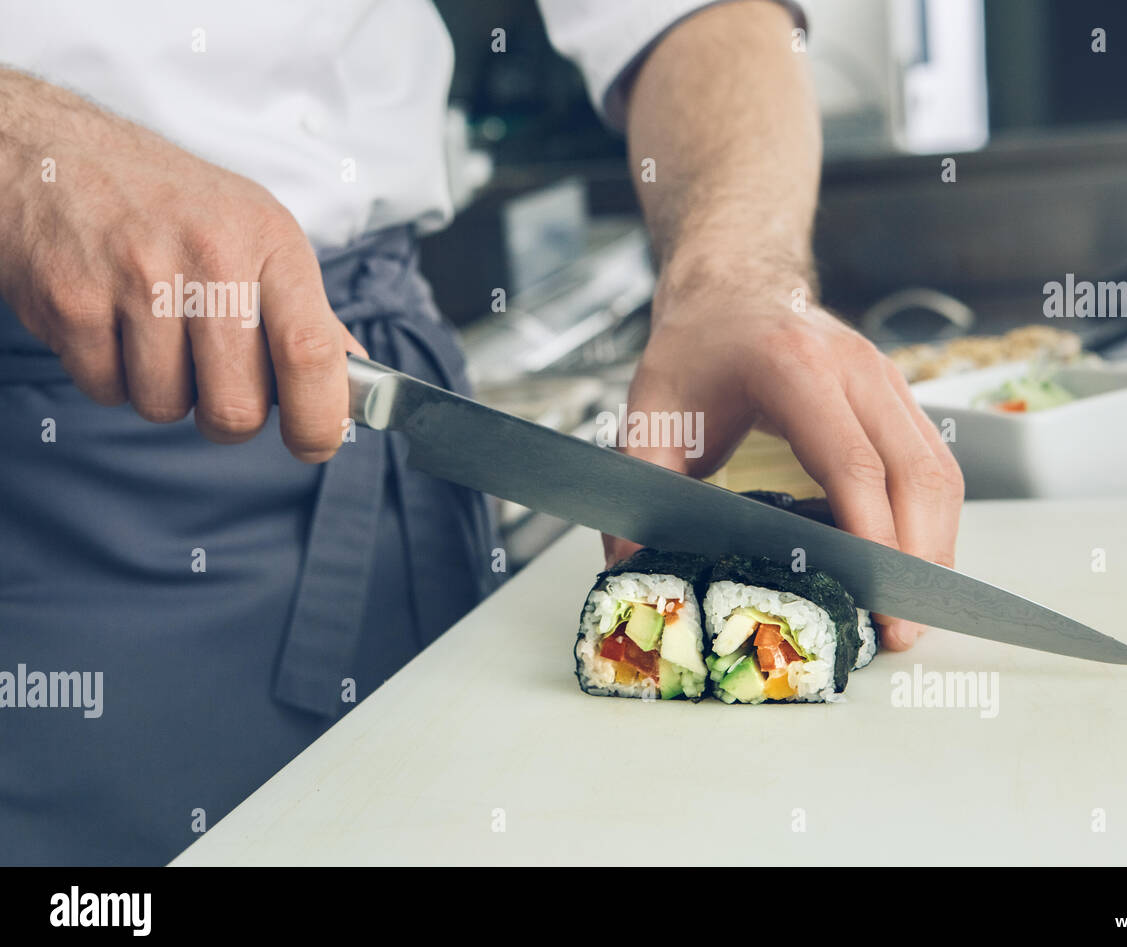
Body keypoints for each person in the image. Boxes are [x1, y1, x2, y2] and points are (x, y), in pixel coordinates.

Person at [0, 0, 963, 864]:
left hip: (364, 391)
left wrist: (732, 272)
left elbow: (696, 16)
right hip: (69, 444)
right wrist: (23, 142)